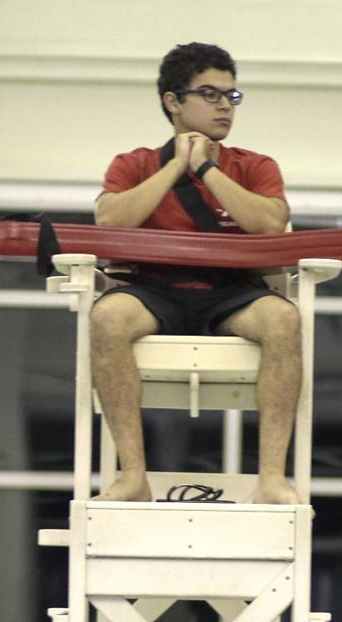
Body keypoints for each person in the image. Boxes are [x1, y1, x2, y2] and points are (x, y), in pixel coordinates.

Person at [91, 42, 301, 505]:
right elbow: (110, 220)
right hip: (153, 291)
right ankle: (133, 476)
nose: (225, 105)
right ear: (173, 101)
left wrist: (205, 167)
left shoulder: (255, 166)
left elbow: (270, 225)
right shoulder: (134, 164)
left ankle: (271, 478)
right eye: (210, 94)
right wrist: (175, 167)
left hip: (230, 293)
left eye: (231, 95)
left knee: (284, 319)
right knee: (107, 317)